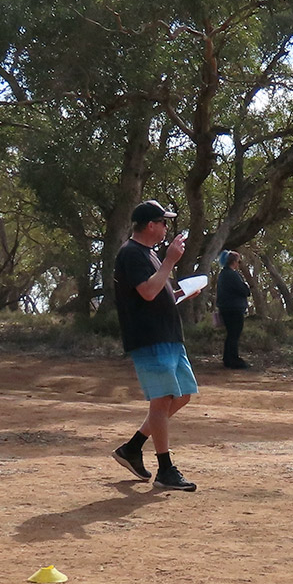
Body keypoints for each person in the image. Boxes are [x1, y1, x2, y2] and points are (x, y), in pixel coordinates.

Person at [110, 200, 200, 492]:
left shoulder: (149, 255)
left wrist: (181, 293)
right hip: (149, 337)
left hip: (168, 335)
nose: (165, 228)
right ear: (151, 225)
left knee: (183, 394)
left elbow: (159, 291)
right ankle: (165, 469)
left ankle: (133, 447)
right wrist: (171, 260)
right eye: (163, 222)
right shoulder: (131, 253)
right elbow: (147, 292)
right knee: (161, 400)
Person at [216, 250, 253, 369]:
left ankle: (228, 359)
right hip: (234, 309)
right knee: (234, 334)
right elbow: (244, 291)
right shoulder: (232, 275)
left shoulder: (222, 274)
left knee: (231, 334)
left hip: (225, 308)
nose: (239, 264)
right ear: (233, 262)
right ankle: (233, 359)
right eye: (238, 261)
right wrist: (246, 287)